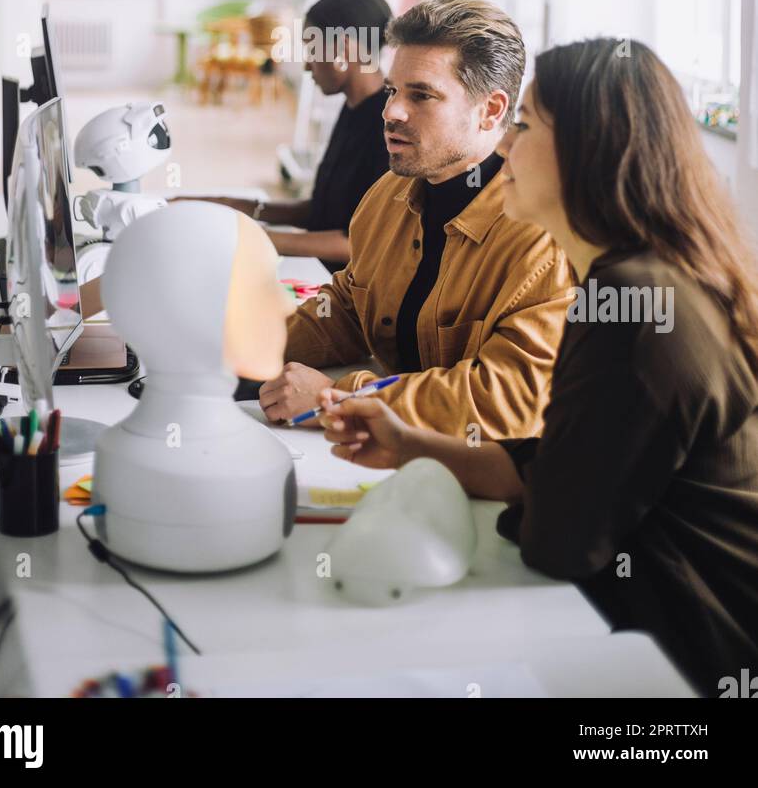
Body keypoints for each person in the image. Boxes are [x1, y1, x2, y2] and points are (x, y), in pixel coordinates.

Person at [317, 38, 758, 697]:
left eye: (524, 124)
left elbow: (559, 538)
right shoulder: (635, 280)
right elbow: (568, 464)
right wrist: (412, 447)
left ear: (590, 149)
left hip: (684, 667)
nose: (502, 147)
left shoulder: (636, 311)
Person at [260, 0, 572, 437]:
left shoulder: (543, 240)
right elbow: (348, 308)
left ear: (492, 110)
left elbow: (509, 399)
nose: (391, 112)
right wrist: (239, 348)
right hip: (396, 454)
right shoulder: (388, 195)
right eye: (392, 91)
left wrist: (342, 399)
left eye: (421, 95)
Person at [174, 0, 393, 272]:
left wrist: (243, 236)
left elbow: (355, 244)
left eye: (312, 50)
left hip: (342, 292)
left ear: (343, 49)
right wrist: (226, 205)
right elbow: (323, 212)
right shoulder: (354, 107)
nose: (306, 66)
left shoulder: (390, 126)